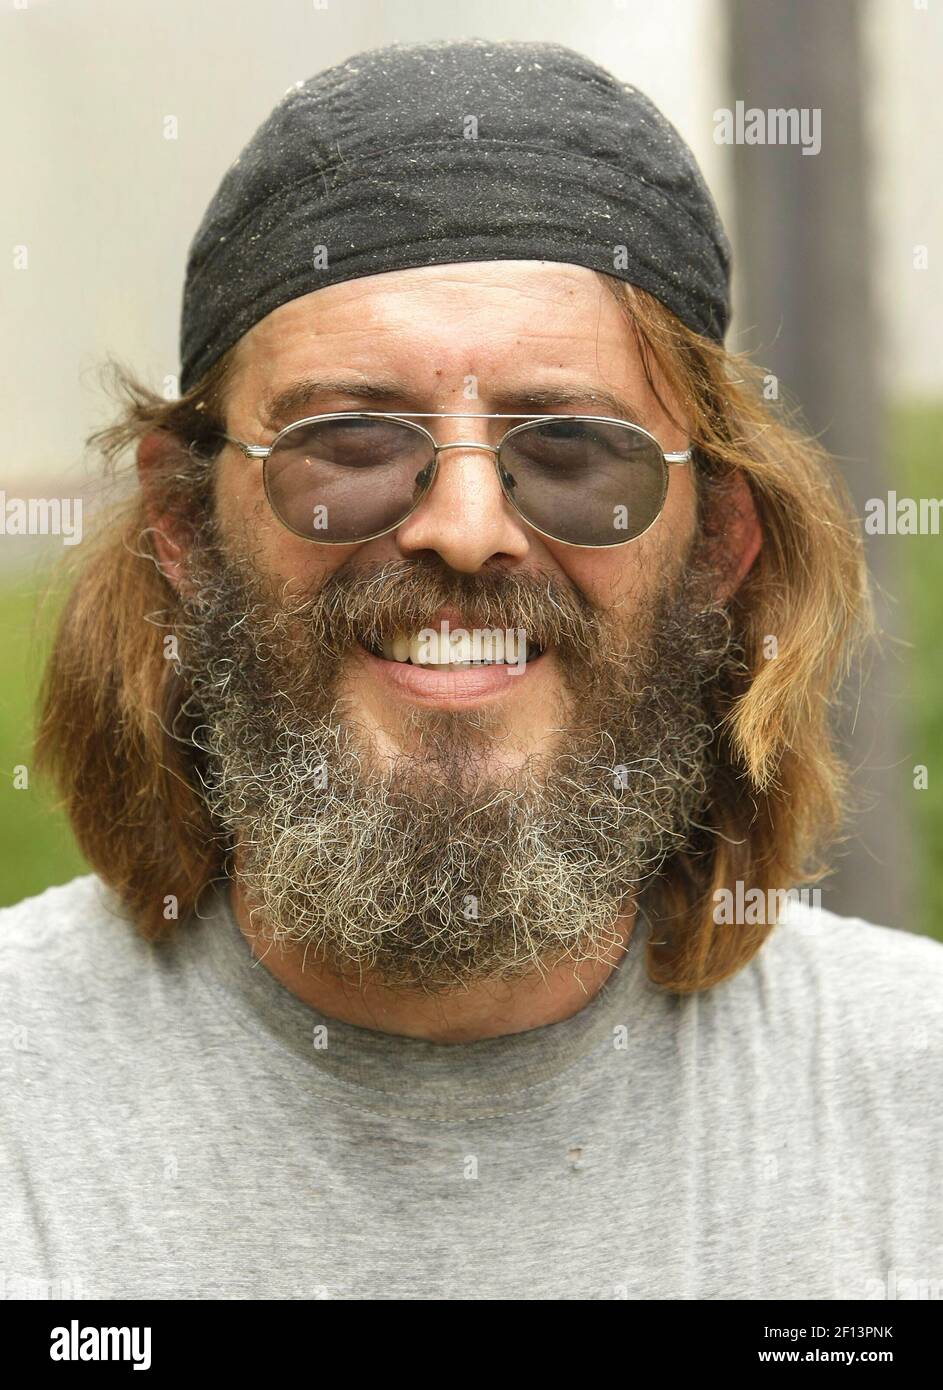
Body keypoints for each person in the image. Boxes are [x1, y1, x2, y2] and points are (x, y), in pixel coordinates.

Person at [3, 37, 940, 1302]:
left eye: (570, 450)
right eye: (347, 441)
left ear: (717, 538)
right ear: (181, 521)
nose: (464, 521)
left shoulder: (911, 1116)